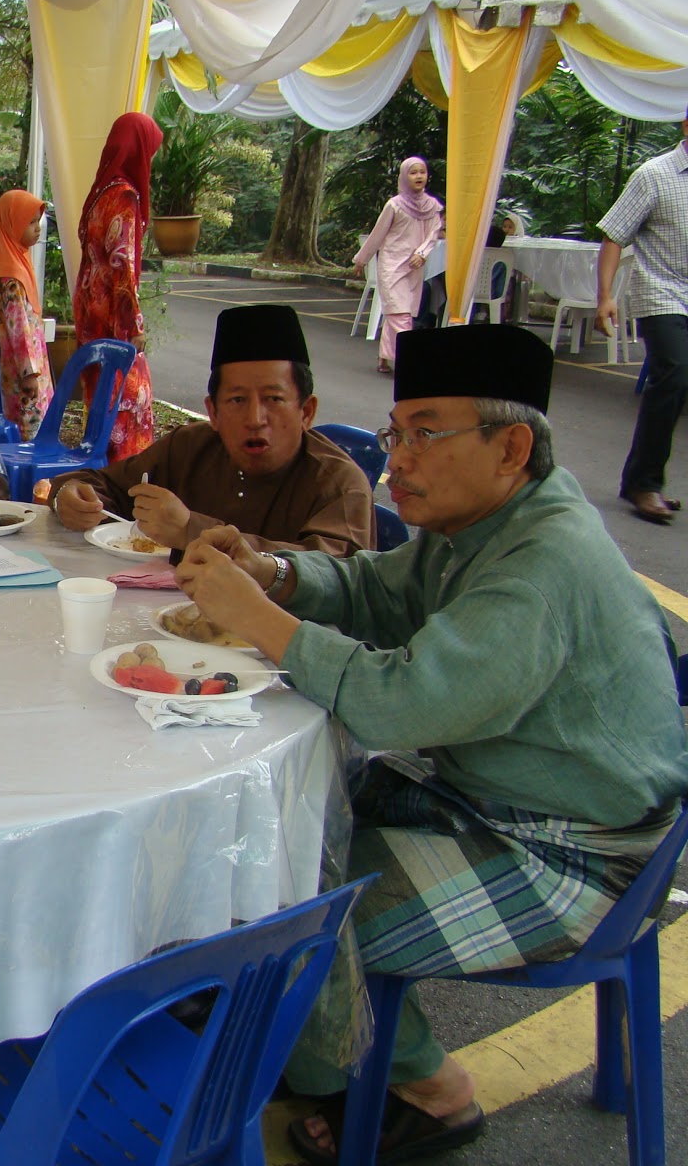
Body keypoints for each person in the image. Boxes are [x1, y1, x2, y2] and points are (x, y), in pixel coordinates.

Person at [171, 323, 688, 1164]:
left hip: (572, 852)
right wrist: (273, 574)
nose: (395, 462)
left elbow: (403, 705)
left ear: (511, 446)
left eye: (423, 435)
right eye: (394, 434)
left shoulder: (541, 562)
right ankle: (289, 1019)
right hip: (491, 792)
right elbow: (379, 590)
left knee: (298, 906)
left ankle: (426, 1086)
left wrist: (256, 618)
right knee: (277, 818)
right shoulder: (483, 524)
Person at [49, 304, 374, 557]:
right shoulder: (190, 447)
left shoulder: (340, 487)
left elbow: (333, 576)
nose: (255, 418)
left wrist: (192, 531)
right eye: (237, 400)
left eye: (274, 399)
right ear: (213, 412)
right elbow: (103, 484)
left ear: (306, 412)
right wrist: (71, 497)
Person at [595, 107, 688, 525]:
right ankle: (644, 483)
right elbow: (614, 234)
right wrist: (604, 297)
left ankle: (643, 477)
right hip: (661, 291)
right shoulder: (654, 174)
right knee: (674, 372)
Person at [74, 111, 163, 461]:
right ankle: (123, 488)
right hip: (114, 319)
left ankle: (100, 479)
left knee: (101, 407)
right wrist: (133, 325)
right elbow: (122, 262)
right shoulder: (125, 195)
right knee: (129, 406)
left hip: (91, 318)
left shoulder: (100, 193)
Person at [353, 157, 442, 373]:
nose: (419, 176)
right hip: (392, 264)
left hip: (414, 267)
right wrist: (361, 260)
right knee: (399, 313)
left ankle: (384, 357)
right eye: (413, 172)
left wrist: (422, 253)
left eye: (422, 172)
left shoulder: (432, 207)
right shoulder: (394, 205)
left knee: (399, 312)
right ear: (404, 177)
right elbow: (377, 234)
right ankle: (407, 360)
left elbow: (433, 234)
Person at [0, 189, 54, 439]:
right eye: (30, 222)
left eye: (38, 221)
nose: (37, 228)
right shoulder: (11, 276)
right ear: (13, 225)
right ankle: (26, 477)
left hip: (16, 367)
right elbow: (19, 329)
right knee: (25, 432)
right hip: (20, 370)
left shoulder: (15, 262)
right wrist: (29, 373)